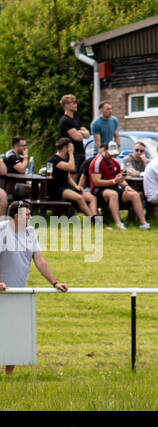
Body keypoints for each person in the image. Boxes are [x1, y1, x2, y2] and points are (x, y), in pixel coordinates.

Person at [0, 201, 69, 374]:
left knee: (15, 334)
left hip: (18, 293)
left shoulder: (30, 232)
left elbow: (38, 259)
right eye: (28, 215)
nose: (31, 217)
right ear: (16, 216)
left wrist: (54, 282)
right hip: (1, 291)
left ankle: (8, 376)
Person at [88, 144, 148, 230]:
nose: (112, 156)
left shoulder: (115, 162)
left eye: (114, 154)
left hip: (114, 187)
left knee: (135, 194)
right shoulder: (97, 162)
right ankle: (118, 223)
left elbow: (120, 176)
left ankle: (143, 223)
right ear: (104, 151)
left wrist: (126, 185)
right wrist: (114, 181)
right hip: (99, 190)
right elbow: (96, 182)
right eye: (110, 153)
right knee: (113, 194)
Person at [48, 138, 95, 218]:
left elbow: (69, 177)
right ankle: (92, 219)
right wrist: (71, 153)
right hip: (57, 188)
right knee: (79, 198)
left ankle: (95, 216)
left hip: (67, 186)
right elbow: (72, 167)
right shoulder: (54, 160)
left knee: (92, 198)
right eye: (71, 147)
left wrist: (76, 186)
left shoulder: (65, 159)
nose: (73, 149)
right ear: (65, 147)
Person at [57, 94, 90, 169]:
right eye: (73, 102)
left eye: (76, 102)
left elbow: (87, 134)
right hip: (71, 153)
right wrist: (81, 133)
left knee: (80, 174)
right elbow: (77, 137)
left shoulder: (76, 119)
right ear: (66, 105)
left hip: (81, 152)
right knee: (73, 175)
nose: (76, 104)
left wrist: (79, 132)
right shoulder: (65, 120)